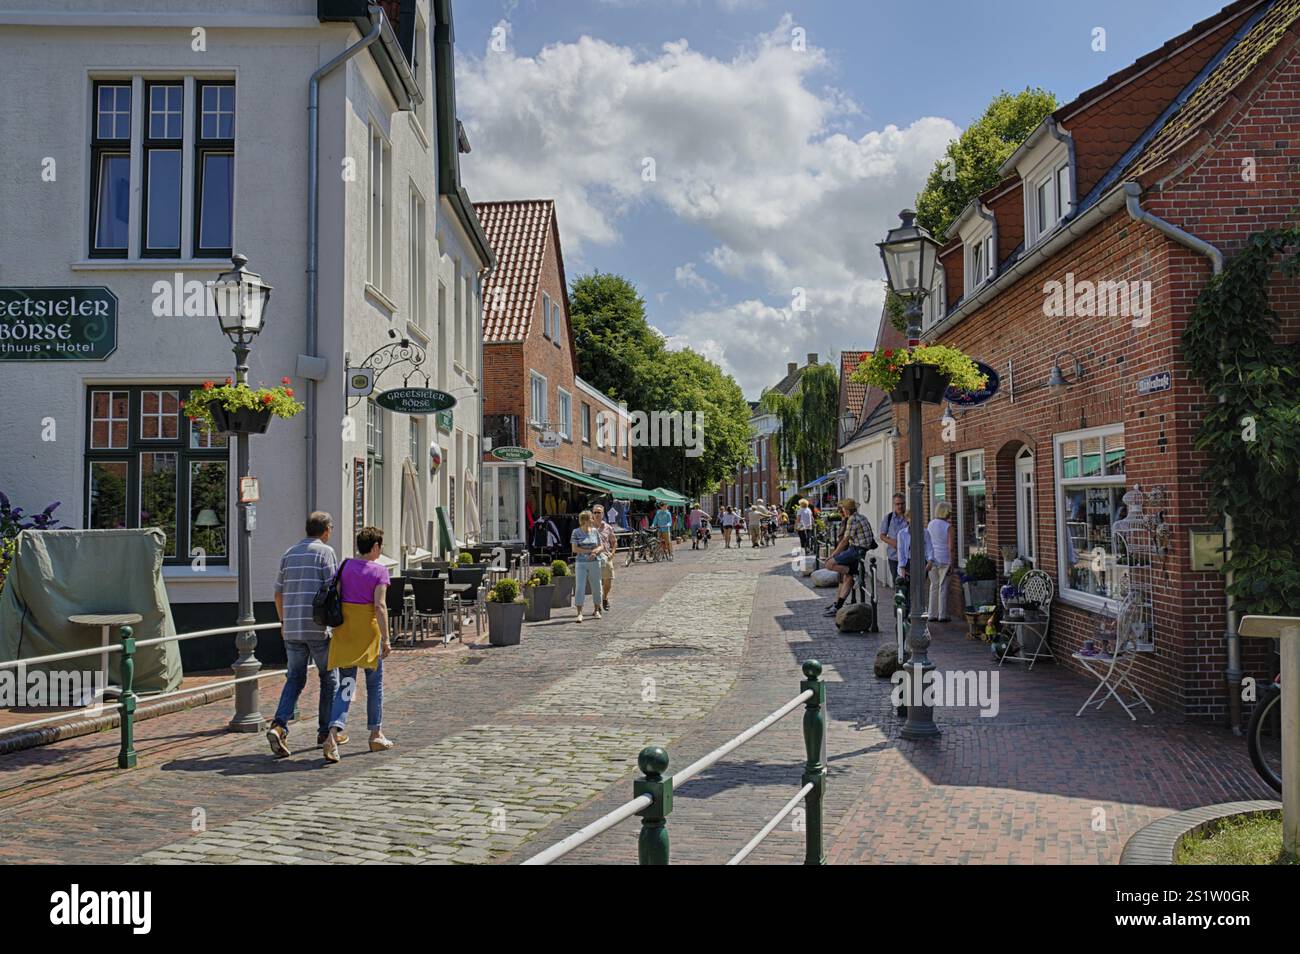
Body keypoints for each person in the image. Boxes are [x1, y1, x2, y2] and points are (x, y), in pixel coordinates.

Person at [267, 511, 342, 757]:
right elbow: (333, 589)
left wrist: (282, 621)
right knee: (329, 678)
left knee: (295, 678)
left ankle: (279, 726)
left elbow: (278, 592)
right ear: (326, 530)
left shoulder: (289, 553)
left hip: (292, 627)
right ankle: (324, 732)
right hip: (317, 627)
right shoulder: (325, 553)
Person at [322, 526, 393, 763]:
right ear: (374, 547)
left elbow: (337, 595)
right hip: (368, 633)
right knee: (375, 686)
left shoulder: (344, 567)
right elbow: (380, 607)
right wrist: (386, 638)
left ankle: (333, 733)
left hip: (345, 631)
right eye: (380, 547)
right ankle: (375, 733)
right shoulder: (380, 571)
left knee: (346, 685)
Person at [822, 498, 877, 617]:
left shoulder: (852, 519)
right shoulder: (862, 517)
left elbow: (844, 541)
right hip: (861, 549)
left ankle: (855, 572)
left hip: (856, 549)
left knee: (829, 564)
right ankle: (838, 607)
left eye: (842, 509)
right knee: (848, 578)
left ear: (846, 510)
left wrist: (833, 554)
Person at [896, 510, 934, 620]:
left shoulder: (925, 532)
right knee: (907, 590)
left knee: (918, 590)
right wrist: (902, 567)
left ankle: (918, 614)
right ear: (908, 520)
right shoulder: (902, 534)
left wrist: (930, 561)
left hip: (921, 563)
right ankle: (906, 615)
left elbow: (929, 547)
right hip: (908, 563)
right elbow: (901, 551)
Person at [571, 510, 605, 622]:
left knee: (597, 586)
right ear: (585, 520)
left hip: (595, 562)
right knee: (580, 587)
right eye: (591, 518)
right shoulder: (576, 532)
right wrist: (590, 551)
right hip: (581, 563)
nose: (593, 519)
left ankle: (596, 610)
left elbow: (601, 546)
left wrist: (595, 552)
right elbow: (575, 549)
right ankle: (579, 613)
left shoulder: (595, 531)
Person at [926, 500, 953, 622]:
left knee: (934, 586)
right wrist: (952, 562)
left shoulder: (930, 524)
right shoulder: (948, 527)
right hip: (945, 559)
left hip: (932, 559)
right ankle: (942, 614)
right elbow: (951, 547)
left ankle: (932, 613)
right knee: (943, 587)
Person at [878, 493, 909, 585]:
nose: (900, 506)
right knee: (897, 582)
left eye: (902, 503)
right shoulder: (888, 518)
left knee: (909, 583)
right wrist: (892, 542)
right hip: (894, 557)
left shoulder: (909, 517)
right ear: (894, 504)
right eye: (897, 504)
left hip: (908, 557)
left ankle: (909, 600)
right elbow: (882, 535)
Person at [592, 504, 618, 612]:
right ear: (592, 514)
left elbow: (614, 541)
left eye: (599, 512)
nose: (597, 514)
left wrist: (612, 553)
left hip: (606, 556)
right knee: (595, 583)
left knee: (608, 581)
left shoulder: (608, 527)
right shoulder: (588, 527)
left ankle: (605, 597)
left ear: (603, 514)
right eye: (595, 512)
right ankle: (596, 608)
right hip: (593, 557)